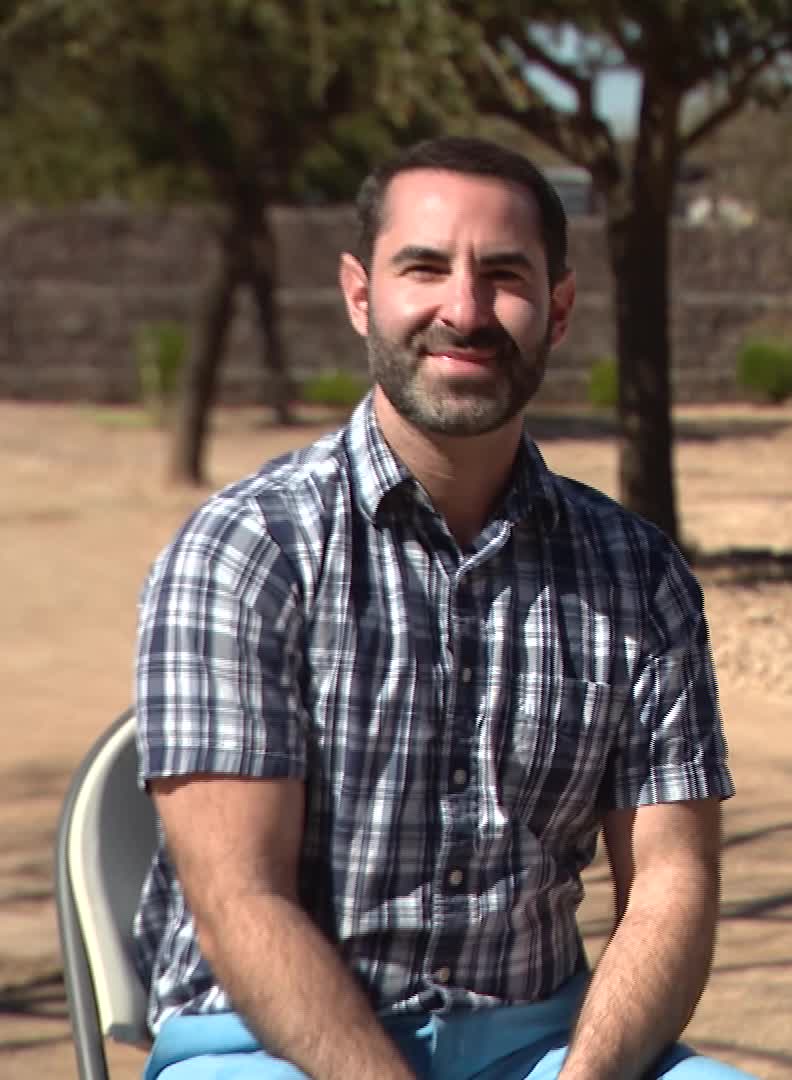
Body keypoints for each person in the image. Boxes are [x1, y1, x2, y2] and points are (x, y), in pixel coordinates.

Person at [132, 136, 754, 1080]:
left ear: (559, 310)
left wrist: (587, 1076)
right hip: (270, 1048)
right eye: (424, 268)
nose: (464, 310)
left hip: (541, 1047)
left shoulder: (637, 575)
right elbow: (239, 901)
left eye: (503, 275)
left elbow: (673, 879)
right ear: (360, 295)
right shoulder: (247, 552)